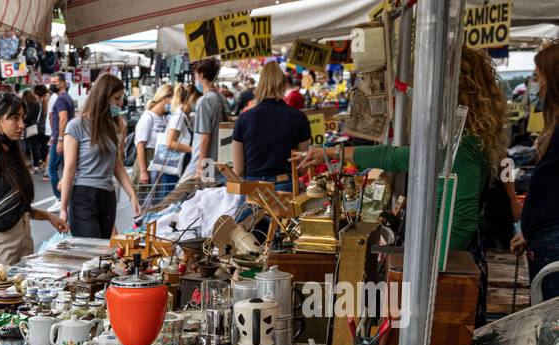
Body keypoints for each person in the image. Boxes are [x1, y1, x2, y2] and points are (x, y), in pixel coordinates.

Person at [297, 47, 507, 254]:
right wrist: (335, 152)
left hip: (443, 264)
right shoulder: (456, 138)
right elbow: (395, 156)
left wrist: (434, 268)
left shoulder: (461, 144)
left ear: (449, 89)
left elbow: (463, 220)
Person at [0, 91, 67, 276]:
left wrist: (49, 216)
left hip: (22, 241)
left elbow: (18, 205)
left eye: (22, 118)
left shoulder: (12, 153)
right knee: (1, 299)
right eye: (14, 118)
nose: (21, 125)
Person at [59, 73, 139, 240]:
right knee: (91, 252)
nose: (121, 103)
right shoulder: (75, 126)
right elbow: (70, 168)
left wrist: (132, 195)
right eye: (116, 98)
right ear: (104, 97)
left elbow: (117, 165)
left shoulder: (110, 126)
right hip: (84, 197)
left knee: (102, 251)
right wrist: (63, 208)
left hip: (107, 197)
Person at [513, 43, 559, 302]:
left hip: (552, 243)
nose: (535, 84)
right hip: (545, 238)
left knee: (552, 331)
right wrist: (529, 232)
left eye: (538, 77)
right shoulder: (553, 125)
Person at [231, 63, 310, 189]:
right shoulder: (299, 117)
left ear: (260, 85)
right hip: (287, 187)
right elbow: (302, 169)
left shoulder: (243, 118)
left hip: (253, 189)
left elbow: (238, 170)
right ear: (284, 85)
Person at [147, 84, 196, 203]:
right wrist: (193, 149)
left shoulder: (185, 116)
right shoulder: (178, 117)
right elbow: (170, 143)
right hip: (174, 168)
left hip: (180, 165)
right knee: (170, 201)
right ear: (190, 99)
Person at [190, 58, 224, 182]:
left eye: (195, 75)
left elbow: (205, 138)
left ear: (201, 74)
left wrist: (200, 168)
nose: (195, 79)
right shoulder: (221, 97)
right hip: (222, 161)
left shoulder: (205, 101)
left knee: (201, 196)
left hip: (208, 163)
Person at [134, 83, 173, 189]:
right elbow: (140, 145)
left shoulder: (164, 118)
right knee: (147, 200)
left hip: (159, 161)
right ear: (164, 98)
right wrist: (143, 171)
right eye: (172, 100)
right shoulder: (148, 118)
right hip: (147, 161)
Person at [46, 75, 76, 200]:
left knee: (51, 168)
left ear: (63, 83)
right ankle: (66, 196)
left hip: (61, 139)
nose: (52, 84)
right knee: (65, 168)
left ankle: (59, 197)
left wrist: (59, 140)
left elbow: (63, 119)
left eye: (55, 82)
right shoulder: (66, 98)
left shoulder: (61, 100)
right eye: (51, 82)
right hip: (63, 137)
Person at [33, 84, 50, 172]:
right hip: (45, 125)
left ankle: (42, 162)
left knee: (39, 145)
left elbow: (42, 114)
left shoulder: (43, 99)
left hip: (41, 125)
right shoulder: (48, 98)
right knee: (44, 145)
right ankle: (43, 162)